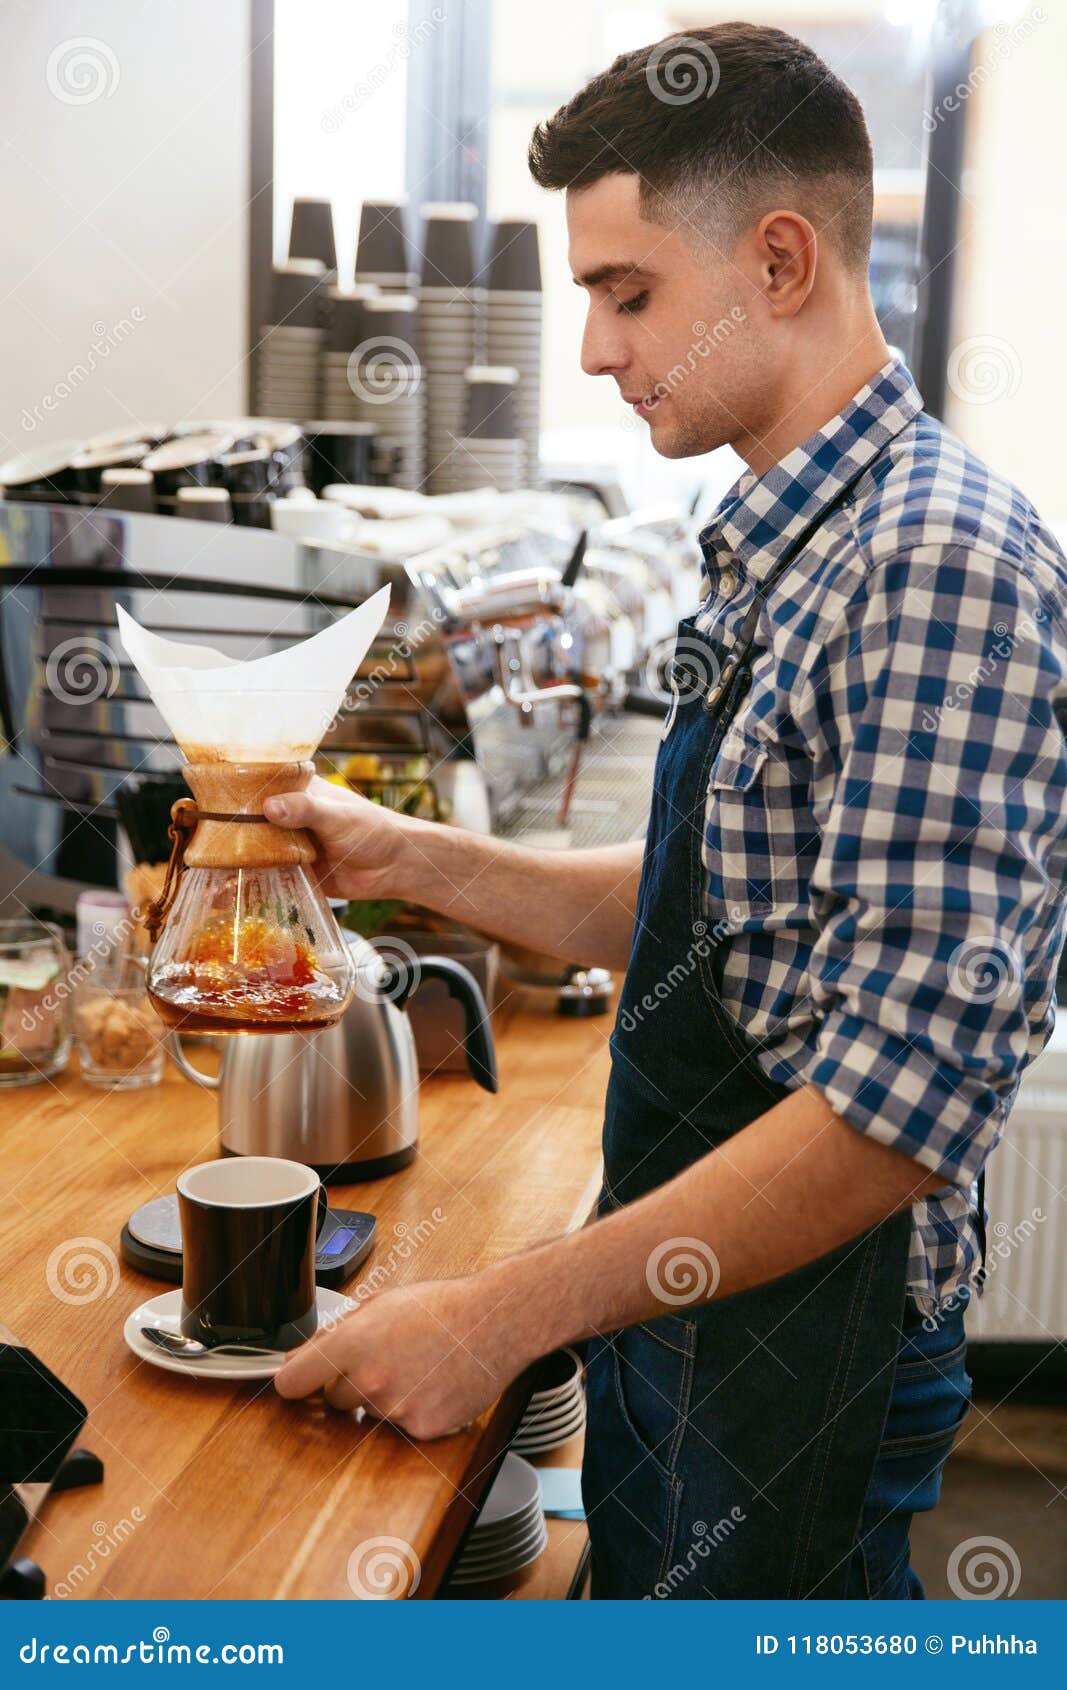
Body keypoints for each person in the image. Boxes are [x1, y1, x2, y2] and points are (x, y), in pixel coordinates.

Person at [270, 22, 1067, 1598]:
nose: (590, 352)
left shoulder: (939, 565)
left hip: (796, 1356)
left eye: (626, 294)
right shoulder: (781, 527)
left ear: (780, 260)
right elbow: (716, 901)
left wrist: (500, 1314)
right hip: (691, 1312)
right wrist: (401, 855)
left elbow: (891, 1109)